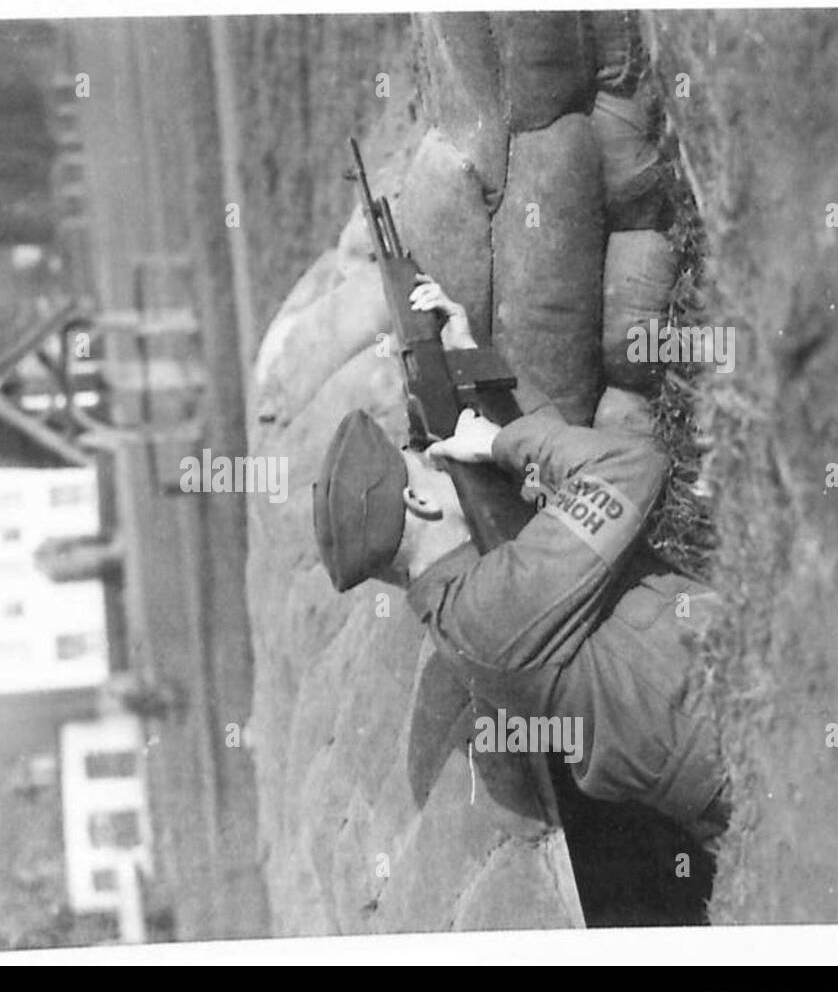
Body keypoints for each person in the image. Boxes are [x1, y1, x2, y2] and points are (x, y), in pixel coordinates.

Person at [312, 277, 730, 845]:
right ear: (417, 501)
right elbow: (631, 465)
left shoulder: (473, 582)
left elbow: (553, 475)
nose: (442, 457)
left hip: (717, 703)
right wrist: (493, 445)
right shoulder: (485, 610)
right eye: (426, 459)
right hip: (722, 736)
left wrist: (471, 362)